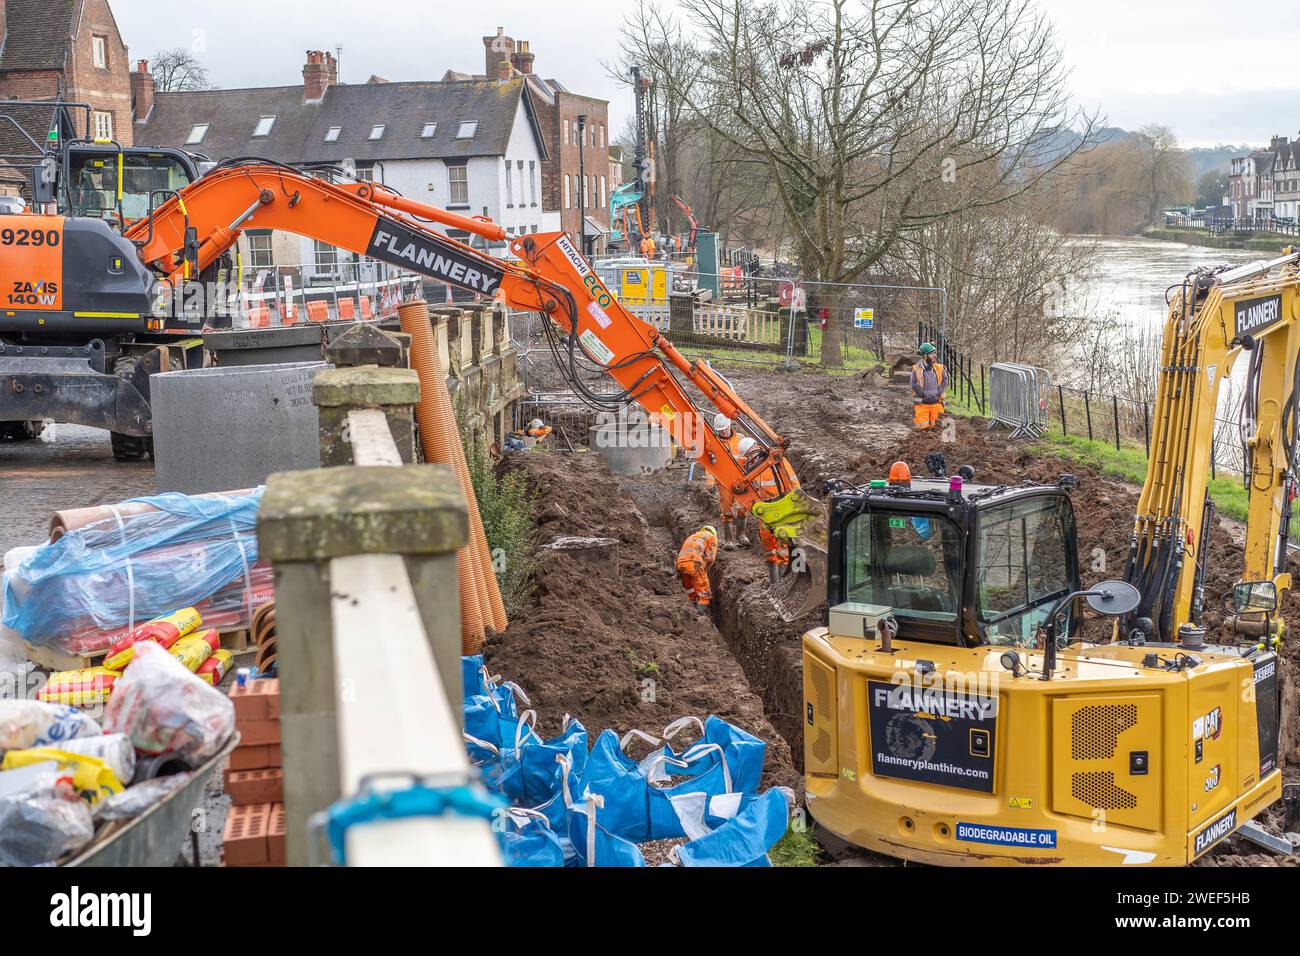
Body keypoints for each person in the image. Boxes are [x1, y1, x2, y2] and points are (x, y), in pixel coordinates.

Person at [738, 437, 794, 583]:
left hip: (782, 509)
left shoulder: (776, 460)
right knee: (768, 549)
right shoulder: (752, 468)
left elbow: (793, 485)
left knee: (782, 549)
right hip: (765, 513)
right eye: (749, 456)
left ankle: (782, 585)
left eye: (752, 454)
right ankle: (773, 584)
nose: (752, 458)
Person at [710, 413, 751, 550]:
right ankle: (729, 540)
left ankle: (741, 535)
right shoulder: (714, 443)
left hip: (740, 479)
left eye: (725, 428)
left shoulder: (740, 438)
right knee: (727, 509)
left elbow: (748, 457)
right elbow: (710, 465)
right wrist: (710, 483)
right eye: (721, 430)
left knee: (743, 507)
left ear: (730, 425)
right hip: (723, 480)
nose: (724, 431)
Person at [676, 525, 719, 614]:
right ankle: (701, 616)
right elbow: (711, 559)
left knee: (690, 589)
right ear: (713, 533)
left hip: (680, 563)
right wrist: (706, 569)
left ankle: (692, 610)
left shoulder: (692, 536)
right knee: (704, 595)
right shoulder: (711, 537)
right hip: (694, 563)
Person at [911, 343, 947, 430]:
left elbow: (945, 381)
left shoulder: (939, 368)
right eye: (931, 353)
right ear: (924, 355)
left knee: (937, 429)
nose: (934, 355)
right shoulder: (916, 369)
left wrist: (938, 392)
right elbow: (914, 384)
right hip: (922, 404)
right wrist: (923, 394)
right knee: (922, 429)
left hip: (936, 403)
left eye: (934, 353)